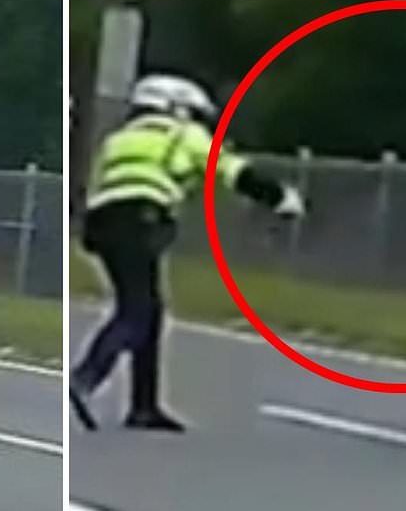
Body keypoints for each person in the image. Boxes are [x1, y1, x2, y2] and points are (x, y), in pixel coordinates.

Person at [70, 73, 305, 432]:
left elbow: (97, 185)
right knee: (137, 311)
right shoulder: (183, 135)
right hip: (141, 218)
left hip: (101, 224)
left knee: (147, 308)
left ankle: (144, 405)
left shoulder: (118, 140)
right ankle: (86, 377)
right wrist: (278, 197)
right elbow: (230, 170)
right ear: (177, 108)